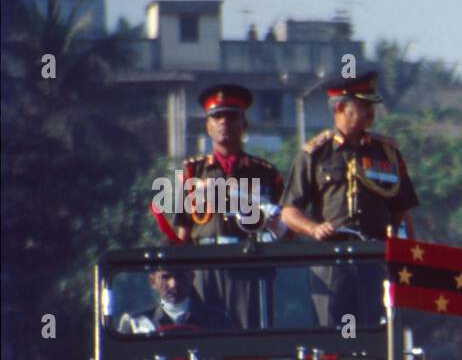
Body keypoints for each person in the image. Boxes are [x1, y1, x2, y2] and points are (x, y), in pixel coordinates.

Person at [279, 71, 420, 325]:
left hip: (374, 259)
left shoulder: (386, 152)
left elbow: (402, 213)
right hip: (332, 259)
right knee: (334, 334)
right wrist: (314, 229)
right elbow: (289, 211)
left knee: (376, 335)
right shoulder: (315, 153)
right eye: (363, 105)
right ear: (341, 107)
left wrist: (409, 260)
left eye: (371, 105)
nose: (371, 111)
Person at [164, 84, 285, 328]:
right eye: (217, 117)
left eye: (231, 116)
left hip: (248, 267)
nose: (224, 123)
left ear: (244, 124)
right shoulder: (192, 171)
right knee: (207, 340)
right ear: (208, 126)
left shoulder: (265, 173)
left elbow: (283, 229)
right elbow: (183, 234)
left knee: (249, 340)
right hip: (205, 270)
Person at [119, 267, 232, 334]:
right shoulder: (135, 323)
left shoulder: (217, 320)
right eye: (165, 277)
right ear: (153, 281)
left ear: (191, 278)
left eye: (180, 276)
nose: (174, 284)